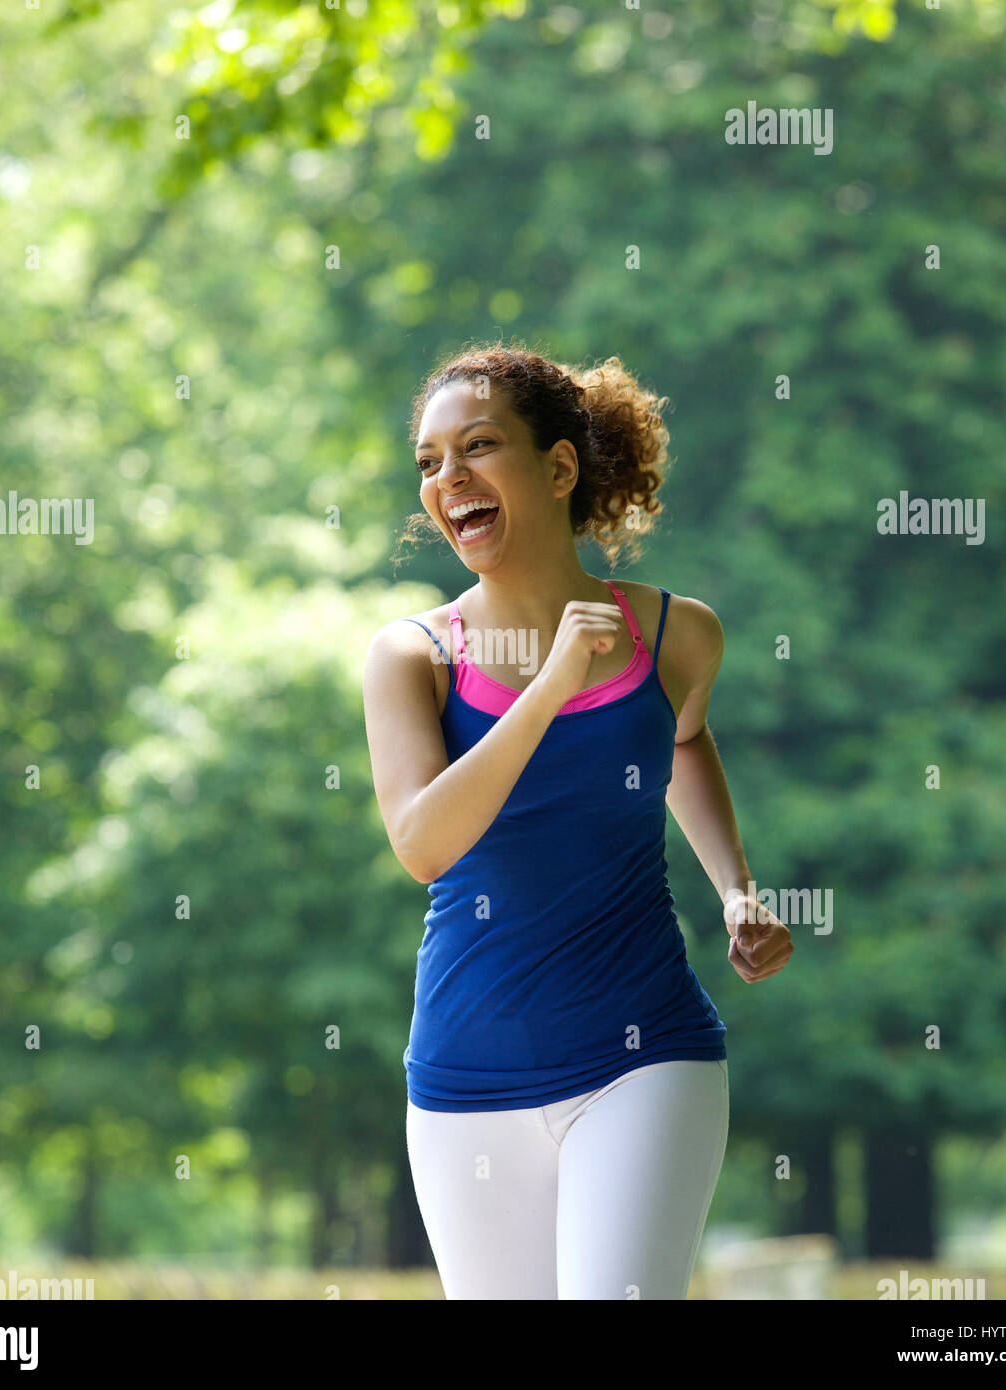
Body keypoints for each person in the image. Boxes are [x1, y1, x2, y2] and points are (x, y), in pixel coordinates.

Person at [362, 342, 793, 1299]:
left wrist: (735, 889)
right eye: (429, 462)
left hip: (644, 1058)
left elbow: (680, 743)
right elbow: (425, 844)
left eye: (478, 447)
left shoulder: (674, 633)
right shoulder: (412, 657)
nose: (449, 479)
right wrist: (551, 682)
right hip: (463, 1082)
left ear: (558, 467)